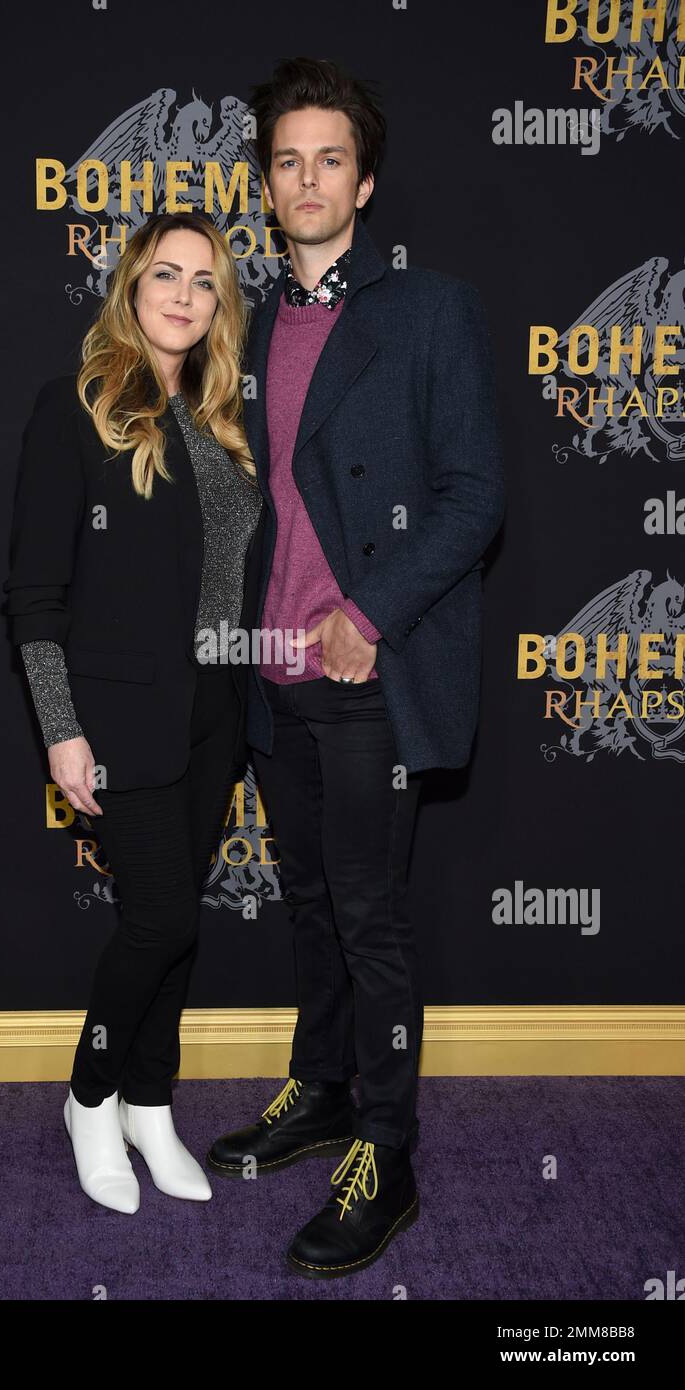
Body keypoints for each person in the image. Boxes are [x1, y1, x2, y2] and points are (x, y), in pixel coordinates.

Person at [206, 57, 506, 1278]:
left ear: (364, 181)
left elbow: (473, 493)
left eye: (329, 157)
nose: (308, 177)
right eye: (286, 160)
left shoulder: (428, 310)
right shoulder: (251, 316)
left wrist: (368, 613)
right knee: (313, 905)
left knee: (372, 918)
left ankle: (385, 1151)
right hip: (271, 666)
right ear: (267, 187)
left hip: (366, 673)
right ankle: (320, 1088)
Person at [3, 210, 263, 1214]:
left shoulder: (220, 417)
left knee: (179, 924)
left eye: (204, 280)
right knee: (155, 921)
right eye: (166, 273)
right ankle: (89, 1091)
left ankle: (151, 1104)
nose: (184, 294)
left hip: (215, 709)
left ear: (219, 303)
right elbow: (34, 593)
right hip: (117, 717)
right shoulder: (73, 407)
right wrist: (60, 726)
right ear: (129, 284)